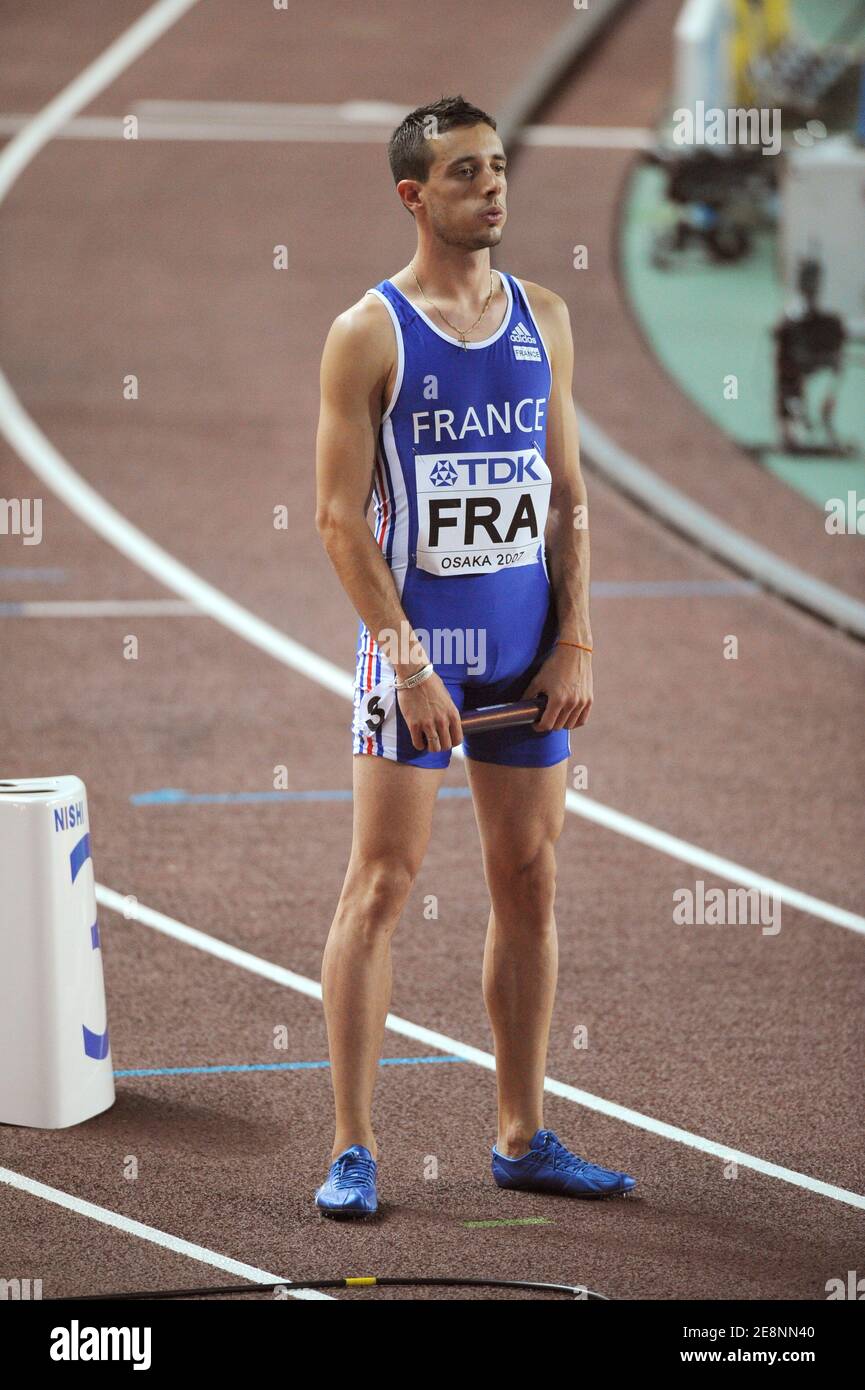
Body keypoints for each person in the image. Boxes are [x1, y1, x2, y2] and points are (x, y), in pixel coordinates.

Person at [313, 95, 636, 1215]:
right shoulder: (369, 332)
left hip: (524, 655)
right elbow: (339, 521)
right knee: (382, 884)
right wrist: (406, 664)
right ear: (414, 195)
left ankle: (522, 1131)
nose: (492, 186)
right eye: (464, 173)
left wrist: (577, 639)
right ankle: (353, 1145)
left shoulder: (543, 316)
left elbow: (569, 500)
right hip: (419, 661)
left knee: (530, 880)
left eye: (497, 167)